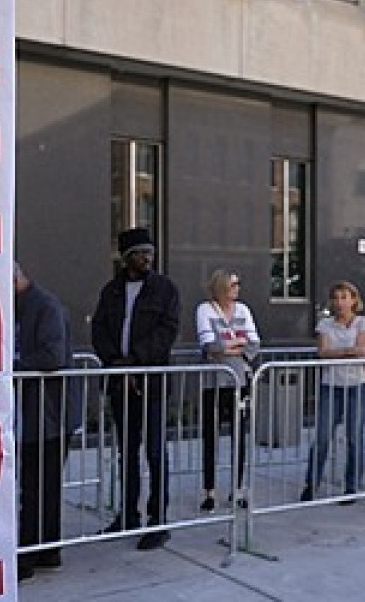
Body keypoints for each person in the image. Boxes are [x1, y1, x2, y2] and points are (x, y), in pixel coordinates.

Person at [90, 228, 180, 551]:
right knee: (126, 452)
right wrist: (115, 362)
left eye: (150, 253)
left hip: (150, 383)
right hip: (120, 383)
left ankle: (159, 520)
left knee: (155, 452)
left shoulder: (164, 289)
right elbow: (98, 329)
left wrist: (135, 360)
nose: (148, 258)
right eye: (141, 253)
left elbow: (167, 332)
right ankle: (128, 513)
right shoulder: (111, 291)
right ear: (127, 257)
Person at [14, 263, 79, 580]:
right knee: (39, 486)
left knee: (38, 487)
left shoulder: (45, 307)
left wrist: (13, 366)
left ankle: (32, 554)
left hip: (49, 413)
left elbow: (53, 357)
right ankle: (45, 550)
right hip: (38, 412)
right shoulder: (29, 305)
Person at [299, 281, 365, 503]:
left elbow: (363, 349)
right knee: (322, 436)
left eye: (345, 297)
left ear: (354, 300)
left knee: (353, 437)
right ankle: (311, 483)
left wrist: (339, 352)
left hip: (358, 384)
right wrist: (348, 352)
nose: (340, 303)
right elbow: (323, 352)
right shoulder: (325, 324)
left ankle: (351, 486)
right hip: (331, 385)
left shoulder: (363, 322)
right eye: (336, 298)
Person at [195, 269, 260, 512]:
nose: (237, 288)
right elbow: (210, 345)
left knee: (239, 435)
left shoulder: (243, 310)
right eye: (233, 284)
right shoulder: (205, 309)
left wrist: (227, 347)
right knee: (210, 435)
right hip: (213, 380)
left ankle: (238, 488)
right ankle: (209, 491)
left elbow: (254, 344)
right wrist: (235, 345)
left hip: (238, 379)